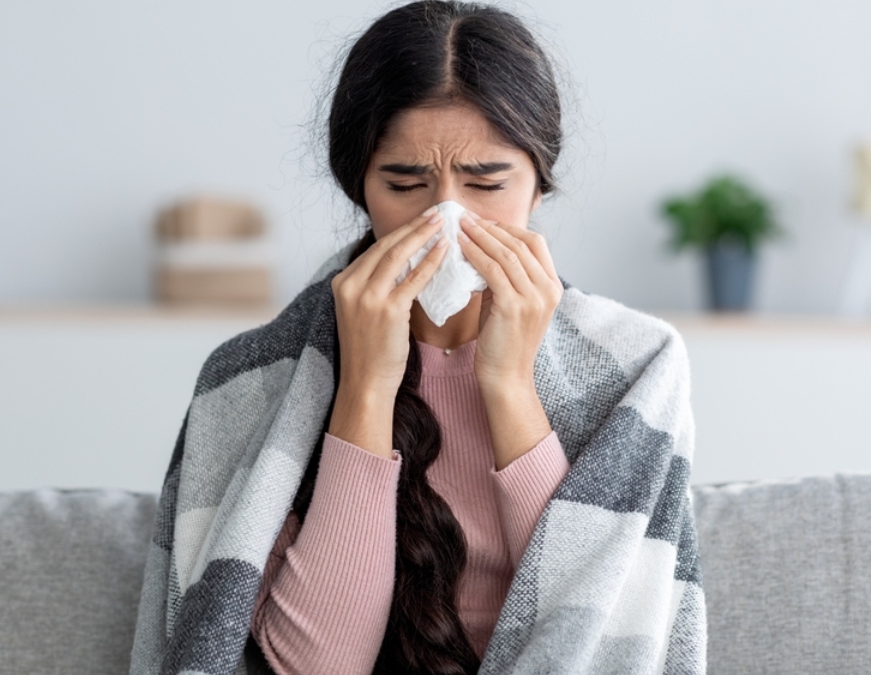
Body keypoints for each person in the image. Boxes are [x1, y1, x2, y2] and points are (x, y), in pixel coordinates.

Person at [130, 2, 705, 674]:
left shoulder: (639, 367)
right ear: (361, 190)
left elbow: (595, 638)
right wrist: (367, 387)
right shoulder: (250, 380)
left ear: (539, 189)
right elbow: (314, 666)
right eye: (405, 183)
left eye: (487, 182)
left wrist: (508, 384)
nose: (446, 219)